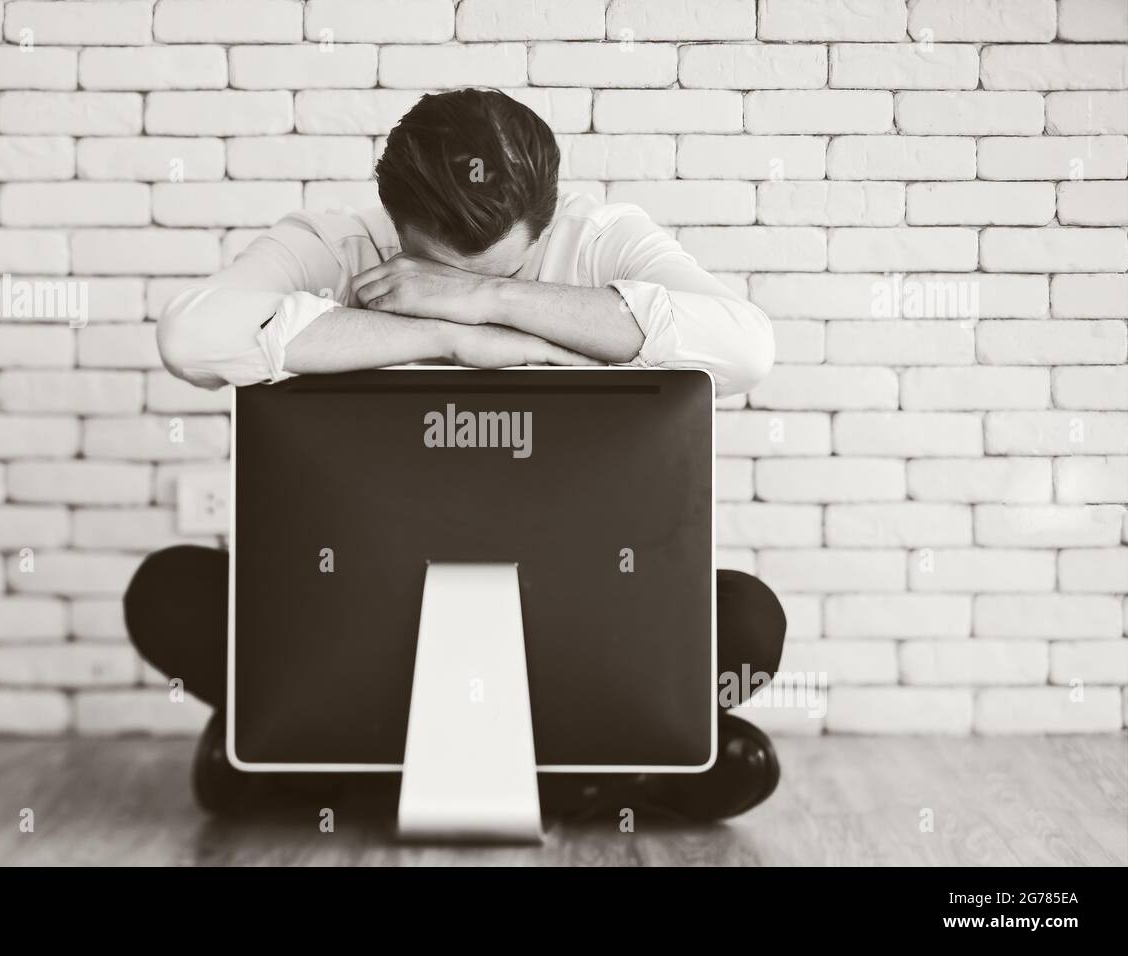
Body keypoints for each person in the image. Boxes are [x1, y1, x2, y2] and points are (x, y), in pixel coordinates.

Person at [124, 88, 786, 821]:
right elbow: (192, 337)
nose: (459, 290)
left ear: (547, 216)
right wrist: (447, 338)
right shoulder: (333, 243)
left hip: (569, 628)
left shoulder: (599, 237)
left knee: (749, 623)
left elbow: (745, 347)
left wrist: (490, 303)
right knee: (170, 594)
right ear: (392, 218)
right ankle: (602, 778)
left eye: (501, 271)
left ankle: (320, 770)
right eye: (437, 271)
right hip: (361, 624)